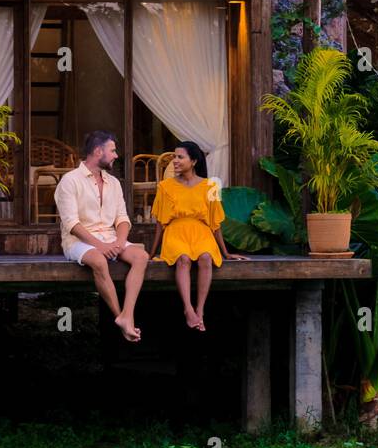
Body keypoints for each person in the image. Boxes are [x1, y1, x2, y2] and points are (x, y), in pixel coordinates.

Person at [54, 131, 148, 343]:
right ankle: (119, 317)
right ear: (98, 151)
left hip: (110, 238)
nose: (116, 155)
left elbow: (122, 218)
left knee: (141, 256)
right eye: (112, 150)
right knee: (98, 260)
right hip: (78, 242)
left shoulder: (113, 182)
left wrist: (118, 242)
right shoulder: (69, 181)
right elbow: (72, 224)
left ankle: (127, 315)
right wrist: (100, 246)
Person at [150, 140, 246, 331]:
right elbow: (160, 223)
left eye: (180, 157)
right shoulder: (165, 186)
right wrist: (151, 252)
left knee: (206, 258)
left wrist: (225, 253)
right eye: (173, 157)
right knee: (183, 259)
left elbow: (215, 223)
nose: (174, 161)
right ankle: (188, 308)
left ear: (193, 161)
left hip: (201, 232)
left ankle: (200, 310)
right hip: (176, 231)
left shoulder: (210, 186)